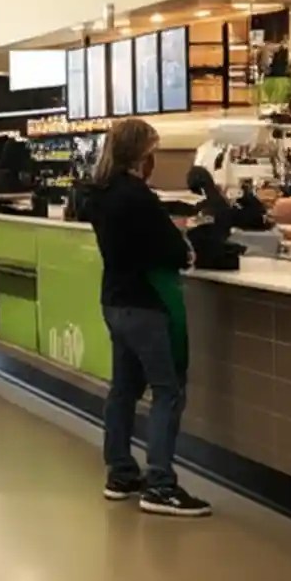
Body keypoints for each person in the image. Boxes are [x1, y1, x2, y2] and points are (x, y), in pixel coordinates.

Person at [87, 117, 211, 517]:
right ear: (142, 154)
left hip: (115, 301)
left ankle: (121, 471)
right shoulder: (138, 196)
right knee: (167, 391)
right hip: (146, 303)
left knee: (123, 388)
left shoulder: (100, 193)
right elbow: (172, 251)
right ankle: (160, 483)